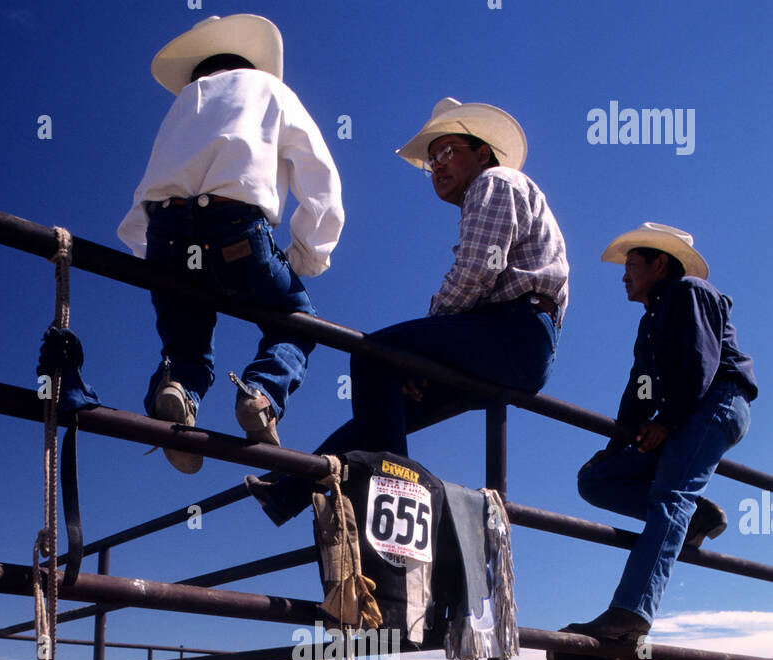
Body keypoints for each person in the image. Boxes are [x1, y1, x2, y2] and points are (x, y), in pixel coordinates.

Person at [249, 96, 568, 524]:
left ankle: (399, 511)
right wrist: (416, 363)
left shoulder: (496, 183)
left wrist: (416, 358)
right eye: (431, 159)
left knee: (373, 354)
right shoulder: (493, 189)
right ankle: (291, 489)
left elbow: (475, 271)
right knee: (386, 410)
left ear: (483, 153)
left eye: (448, 151)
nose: (437, 164)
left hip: (514, 331)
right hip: (509, 342)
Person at [118, 14, 344, 473]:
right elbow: (320, 180)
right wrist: (305, 256)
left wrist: (157, 263)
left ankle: (177, 389)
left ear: (203, 69)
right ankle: (261, 394)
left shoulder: (182, 104)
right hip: (236, 227)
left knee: (185, 336)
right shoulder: (272, 91)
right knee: (297, 321)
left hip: (165, 232)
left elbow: (145, 194)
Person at [569, 223, 757, 640]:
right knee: (595, 482)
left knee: (670, 496)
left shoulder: (691, 292)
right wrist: (614, 447)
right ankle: (697, 516)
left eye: (631, 264)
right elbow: (639, 391)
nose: (623, 275)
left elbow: (699, 366)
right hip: (686, 410)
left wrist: (667, 422)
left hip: (717, 403)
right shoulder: (649, 322)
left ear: (660, 263)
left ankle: (631, 613)